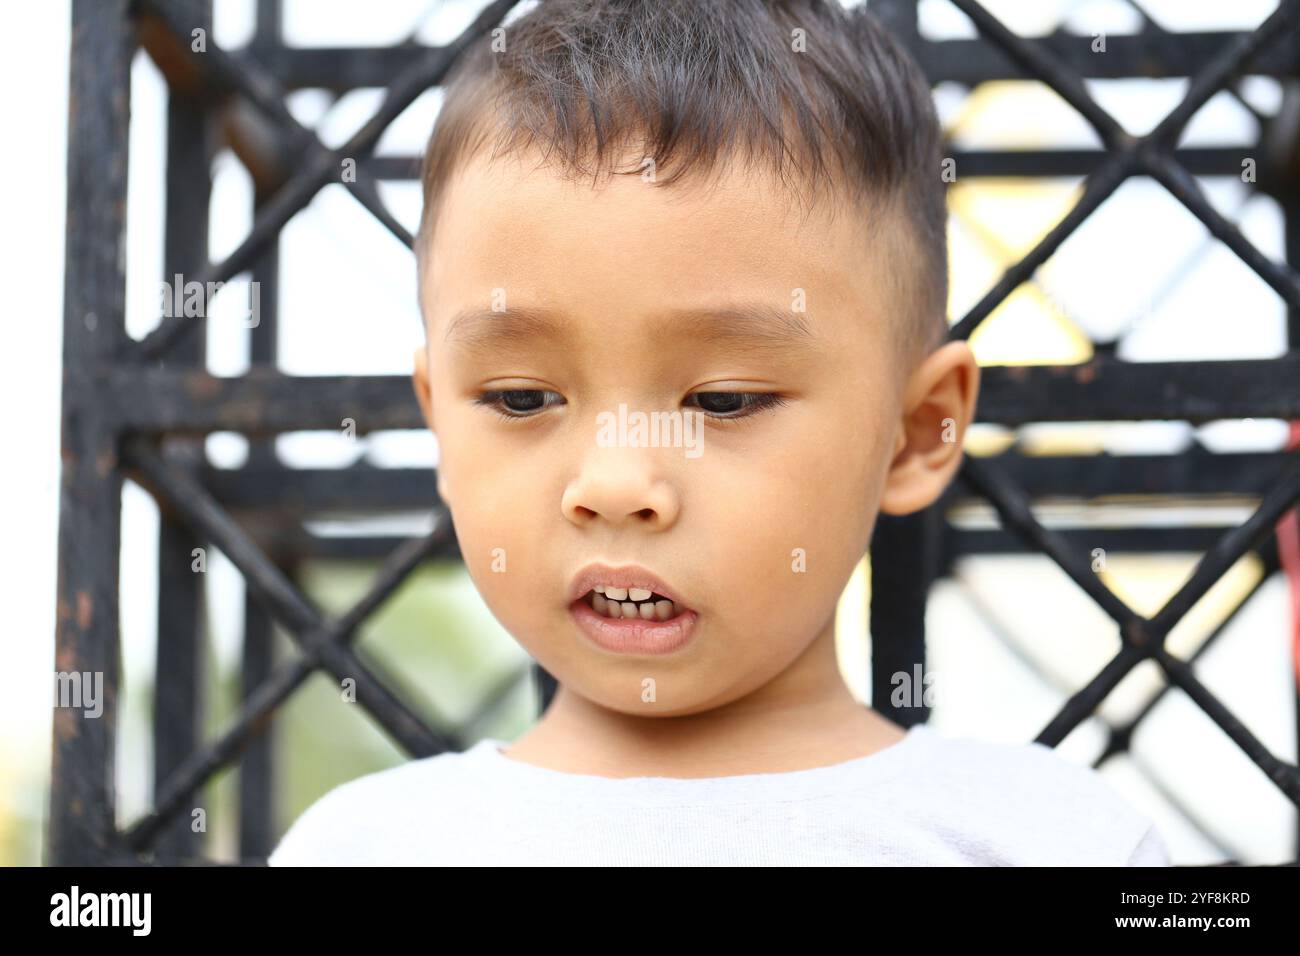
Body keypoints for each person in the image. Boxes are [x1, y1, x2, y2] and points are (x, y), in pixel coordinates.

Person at [269, 0, 1169, 866]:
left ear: (915, 433)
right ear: (439, 425)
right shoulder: (366, 848)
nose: (616, 483)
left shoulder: (1050, 842)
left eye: (725, 401)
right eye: (518, 398)